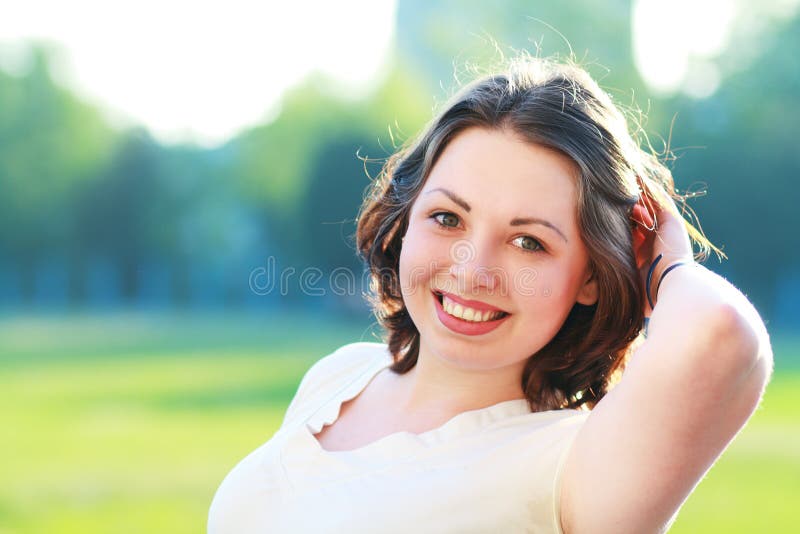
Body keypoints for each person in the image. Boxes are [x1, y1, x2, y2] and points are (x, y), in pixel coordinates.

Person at [208, 54, 773, 533]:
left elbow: (720, 337)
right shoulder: (338, 377)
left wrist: (666, 265)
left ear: (592, 276)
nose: (472, 270)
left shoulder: (569, 471)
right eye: (447, 218)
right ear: (406, 220)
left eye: (529, 242)